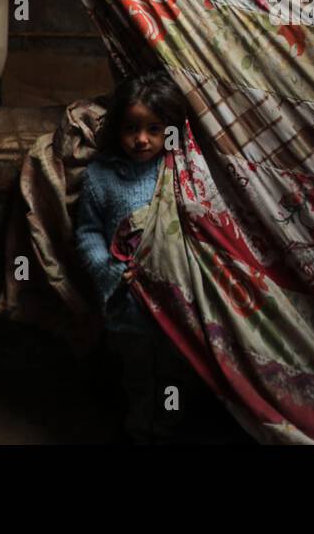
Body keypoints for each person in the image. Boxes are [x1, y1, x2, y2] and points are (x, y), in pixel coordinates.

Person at [74, 69, 192, 443]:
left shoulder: (179, 172)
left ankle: (170, 427)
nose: (141, 139)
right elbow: (88, 231)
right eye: (131, 129)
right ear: (117, 129)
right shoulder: (100, 177)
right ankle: (140, 428)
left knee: (175, 372)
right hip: (127, 304)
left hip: (175, 301)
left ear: (169, 129)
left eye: (154, 129)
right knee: (136, 373)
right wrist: (109, 270)